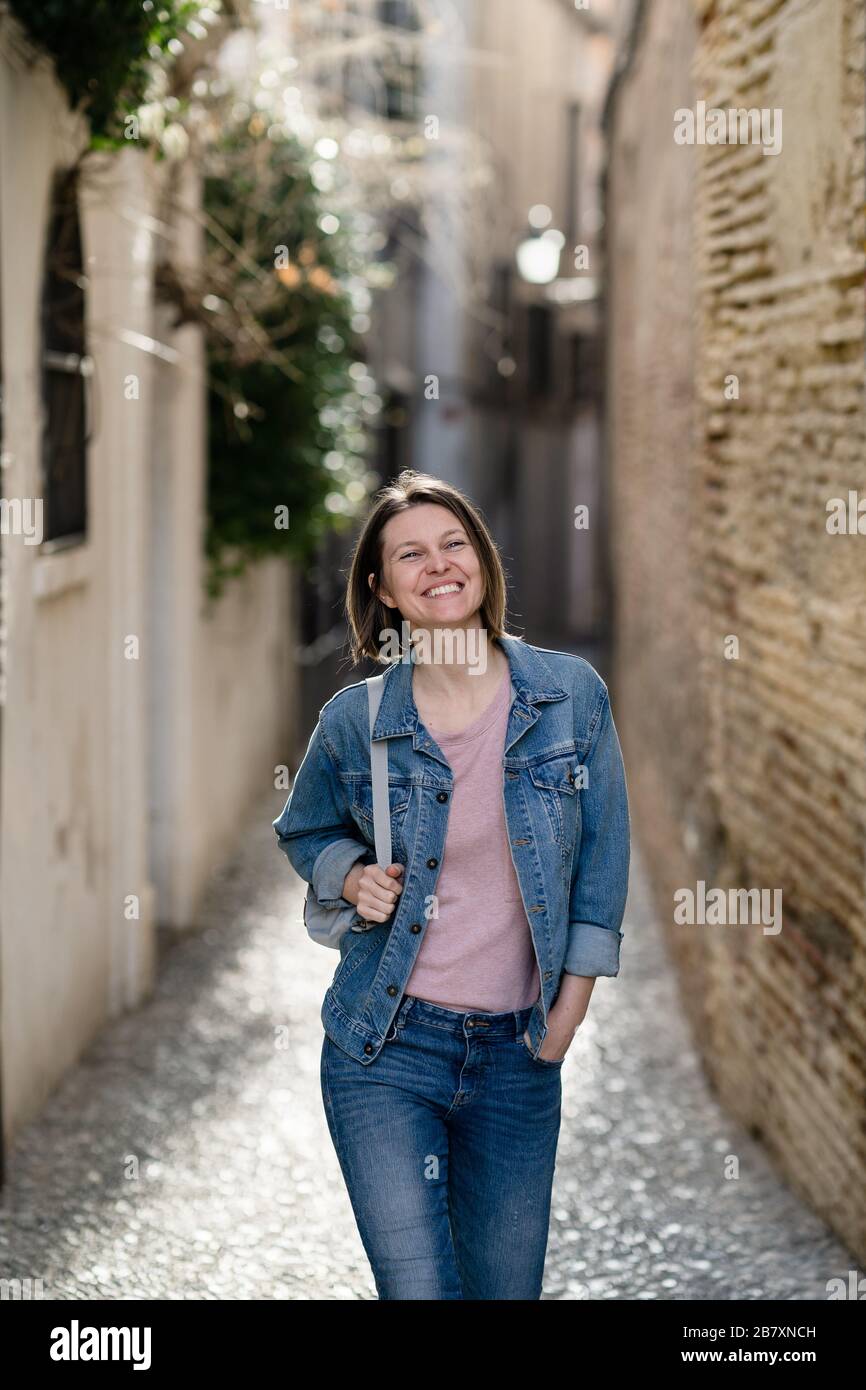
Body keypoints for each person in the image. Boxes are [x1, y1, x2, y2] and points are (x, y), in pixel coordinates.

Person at [273, 469, 631, 1300]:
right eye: (410, 554)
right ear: (383, 587)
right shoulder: (357, 722)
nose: (438, 565)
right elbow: (304, 830)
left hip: (518, 1056)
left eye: (453, 544)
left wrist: (564, 1020)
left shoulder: (570, 699)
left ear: (482, 560)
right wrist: (350, 875)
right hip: (385, 1048)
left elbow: (603, 868)